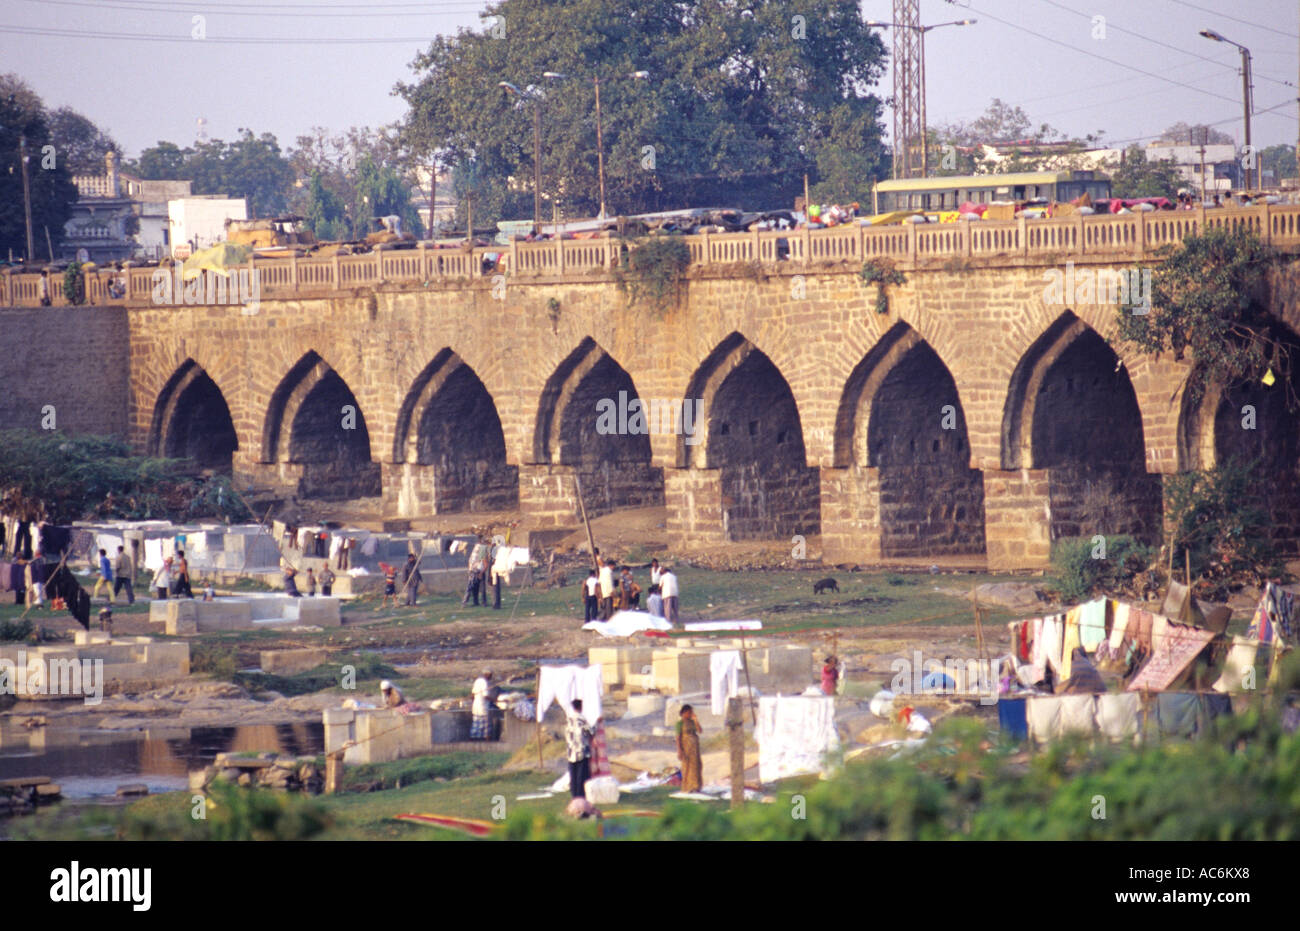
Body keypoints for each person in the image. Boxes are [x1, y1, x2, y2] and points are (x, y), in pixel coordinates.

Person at [565, 699, 594, 799]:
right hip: (582, 751)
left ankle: (574, 794)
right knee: (582, 774)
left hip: (571, 751)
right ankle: (581, 794)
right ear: (581, 707)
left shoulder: (569, 719)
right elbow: (591, 731)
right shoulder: (582, 719)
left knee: (573, 774)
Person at [675, 704, 703, 793]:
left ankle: (696, 786)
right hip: (686, 745)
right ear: (684, 713)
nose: (691, 714)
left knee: (696, 765)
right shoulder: (679, 723)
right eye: (689, 712)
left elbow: (700, 731)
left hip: (694, 746)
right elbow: (678, 737)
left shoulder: (692, 722)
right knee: (687, 765)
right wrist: (679, 750)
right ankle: (688, 786)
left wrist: (696, 720)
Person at [471, 670, 494, 740]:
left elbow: (472, 695)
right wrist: (496, 700)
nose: (491, 677)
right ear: (488, 674)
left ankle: (472, 742)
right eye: (491, 675)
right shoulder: (485, 682)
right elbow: (485, 696)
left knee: (475, 726)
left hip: (475, 707)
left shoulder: (477, 681)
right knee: (486, 727)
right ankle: (488, 744)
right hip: (483, 707)